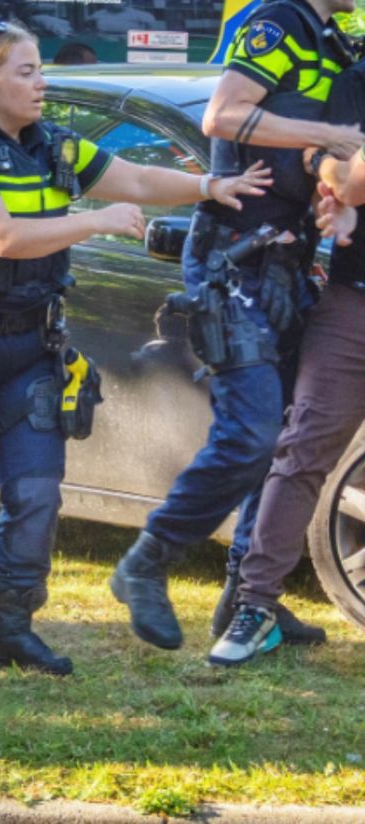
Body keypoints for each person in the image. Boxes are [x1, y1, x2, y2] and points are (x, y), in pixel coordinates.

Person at [0, 20, 269, 676]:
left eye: (40, 70)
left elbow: (141, 181)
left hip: (30, 352)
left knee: (36, 498)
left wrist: (212, 187)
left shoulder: (54, 147)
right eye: (27, 72)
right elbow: (2, 237)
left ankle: (10, 628)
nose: (42, 83)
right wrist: (94, 220)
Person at [110, 0, 365, 652]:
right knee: (254, 435)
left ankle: (244, 604)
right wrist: (330, 139)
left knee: (278, 436)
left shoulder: (327, 40)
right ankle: (146, 563)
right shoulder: (274, 24)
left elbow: (320, 163)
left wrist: (330, 198)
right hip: (236, 259)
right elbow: (222, 115)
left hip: (285, 260)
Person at [209, 55, 365, 665]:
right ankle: (255, 607)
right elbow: (341, 175)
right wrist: (332, 169)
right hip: (353, 301)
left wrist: (339, 173)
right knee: (301, 452)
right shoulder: (356, 77)